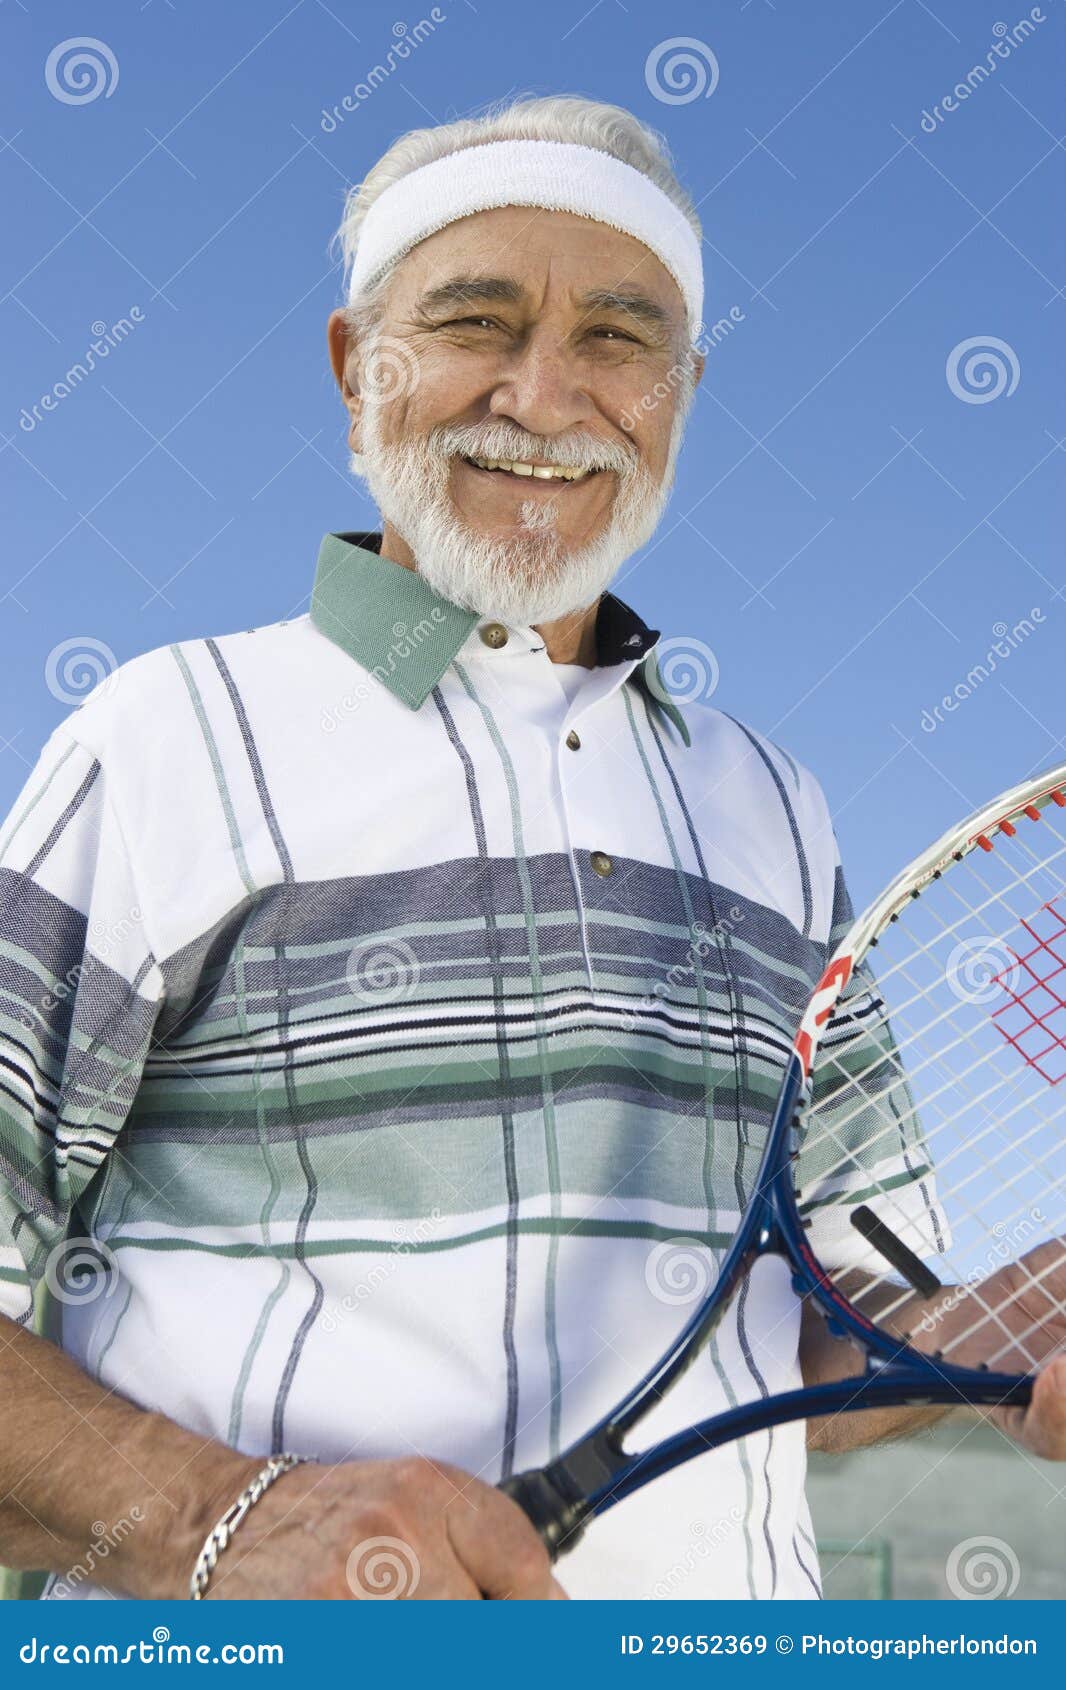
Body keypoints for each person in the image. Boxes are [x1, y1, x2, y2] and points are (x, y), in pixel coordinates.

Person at [1, 94, 1064, 1604]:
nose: (545, 395)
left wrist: (988, 1328)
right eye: (473, 319)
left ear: (680, 392)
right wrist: (215, 1518)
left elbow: (835, 1320)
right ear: (350, 369)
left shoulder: (774, 805)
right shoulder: (164, 735)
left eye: (619, 338)